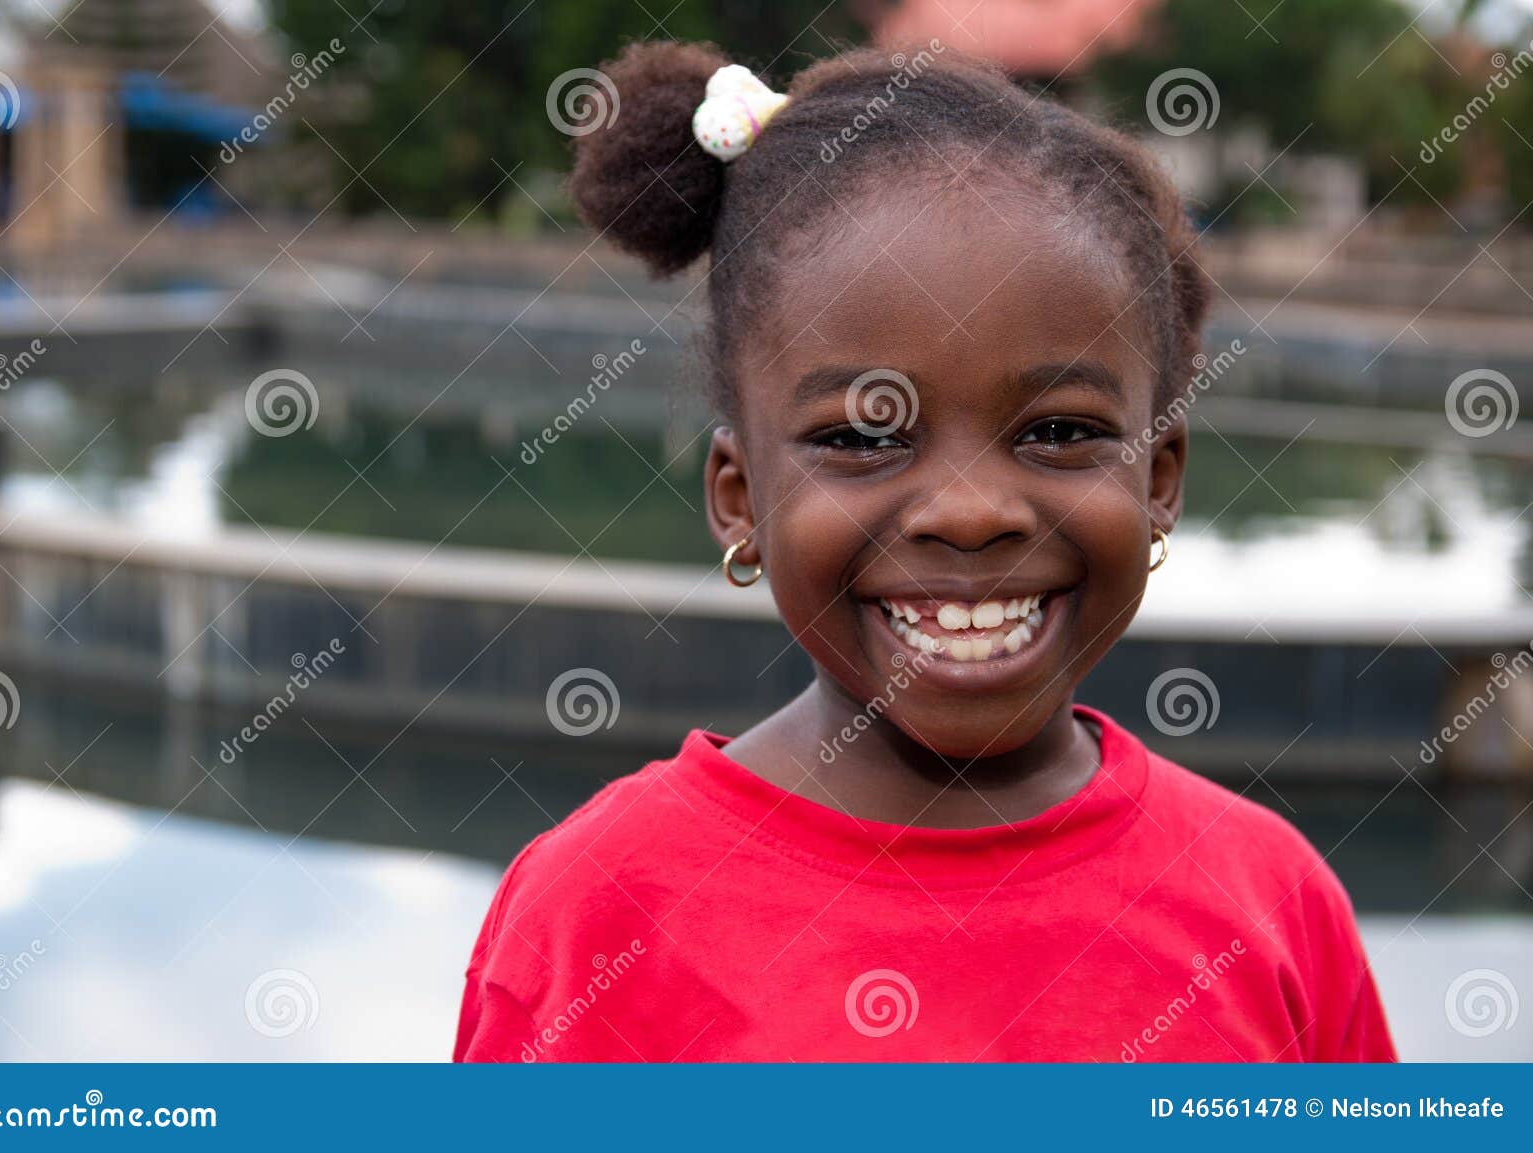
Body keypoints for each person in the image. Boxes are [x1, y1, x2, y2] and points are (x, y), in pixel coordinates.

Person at [453, 40, 1397, 1062]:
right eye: (861, 438)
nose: (969, 511)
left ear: (1158, 477)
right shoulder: (597, 910)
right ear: (738, 499)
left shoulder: (1270, 901)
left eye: (1060, 431)